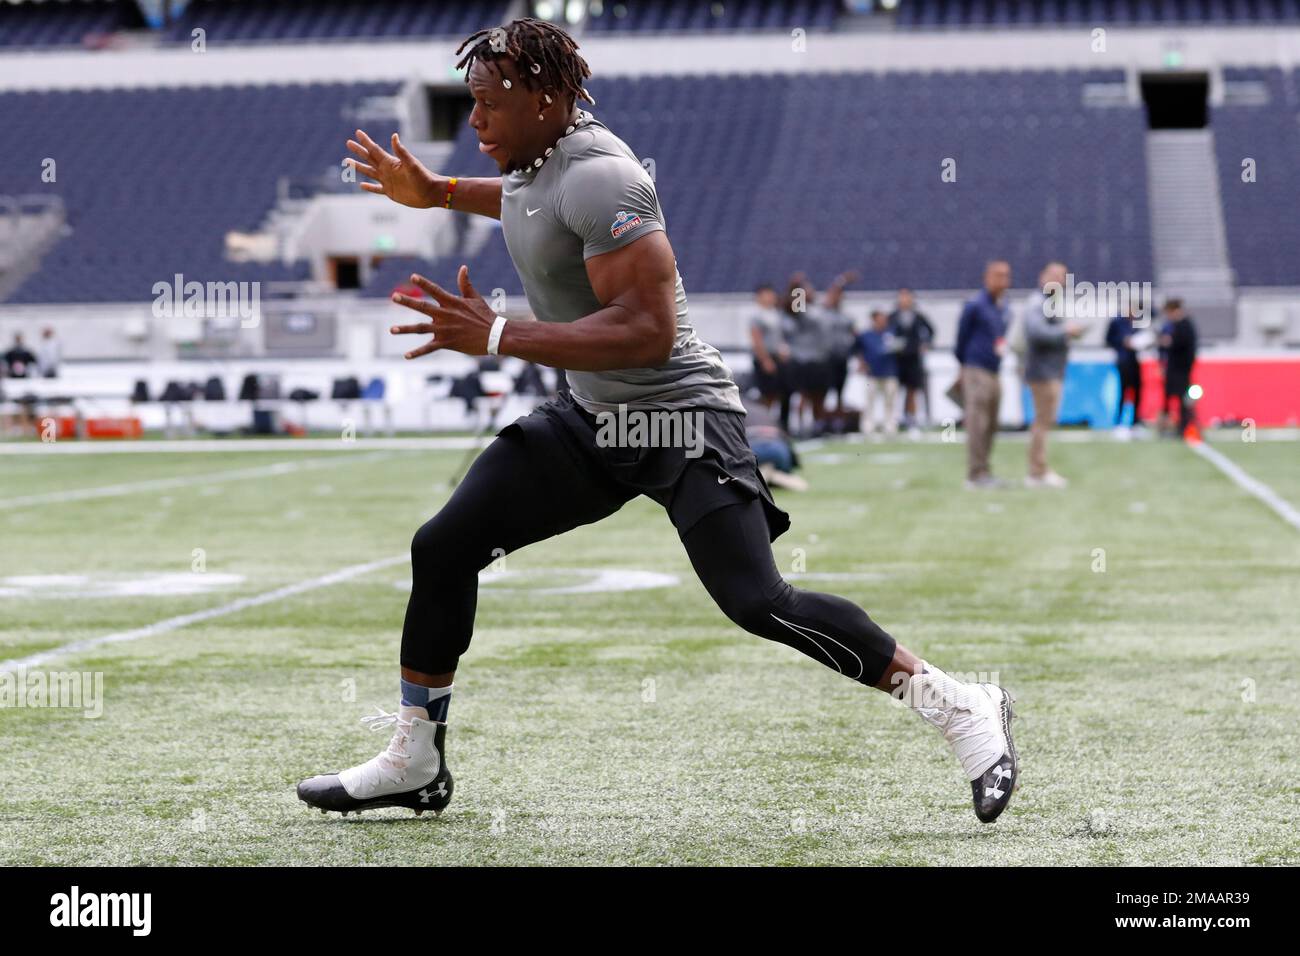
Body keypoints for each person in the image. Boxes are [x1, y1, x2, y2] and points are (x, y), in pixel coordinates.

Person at [299, 17, 1019, 824]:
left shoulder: (603, 176)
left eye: (488, 103)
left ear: (546, 98)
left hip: (677, 421)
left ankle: (961, 706)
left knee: (758, 600)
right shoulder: (538, 157)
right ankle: (416, 760)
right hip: (593, 417)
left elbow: (645, 330)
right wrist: (435, 193)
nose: (475, 122)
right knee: (443, 546)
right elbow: (529, 201)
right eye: (470, 103)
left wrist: (497, 333)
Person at [1021, 261, 1084, 488]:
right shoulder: (1038, 302)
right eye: (1057, 276)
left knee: (1046, 421)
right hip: (1043, 371)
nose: (1061, 281)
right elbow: (1036, 333)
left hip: (1052, 370)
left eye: (1063, 277)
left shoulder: (1051, 302)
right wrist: (1065, 330)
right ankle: (1037, 471)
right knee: (1042, 421)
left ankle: (1039, 469)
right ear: (1044, 276)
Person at [954, 261, 1012, 489]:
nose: (1003, 280)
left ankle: (985, 469)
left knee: (992, 423)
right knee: (977, 422)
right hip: (976, 368)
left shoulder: (1003, 307)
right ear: (987, 277)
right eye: (998, 275)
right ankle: (975, 474)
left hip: (994, 369)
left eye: (1007, 276)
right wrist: (964, 364)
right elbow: (961, 339)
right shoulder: (975, 305)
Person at [780, 274, 833, 437]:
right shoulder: (800, 310)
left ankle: (818, 426)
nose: (811, 292)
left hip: (820, 359)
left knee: (819, 396)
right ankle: (801, 427)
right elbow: (793, 305)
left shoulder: (817, 309)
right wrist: (795, 286)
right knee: (803, 394)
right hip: (803, 360)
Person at [889, 288, 934, 435]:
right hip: (897, 358)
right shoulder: (893, 316)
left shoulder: (918, 316)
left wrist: (926, 343)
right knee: (895, 390)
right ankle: (894, 420)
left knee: (912, 390)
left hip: (913, 357)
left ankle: (910, 419)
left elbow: (931, 331)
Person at [746, 283, 791, 430]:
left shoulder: (776, 314)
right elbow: (756, 339)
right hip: (766, 358)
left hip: (778, 357)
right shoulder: (756, 315)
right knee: (768, 393)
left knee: (784, 391)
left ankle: (783, 424)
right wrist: (765, 359)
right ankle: (763, 423)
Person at [820, 269, 860, 431]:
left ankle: (837, 423)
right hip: (825, 359)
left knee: (839, 392)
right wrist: (841, 280)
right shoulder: (821, 314)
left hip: (842, 358)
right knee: (821, 392)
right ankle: (819, 422)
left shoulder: (847, 317)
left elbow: (856, 337)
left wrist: (861, 358)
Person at [855, 309, 901, 436]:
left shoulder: (891, 332)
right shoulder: (866, 335)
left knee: (890, 401)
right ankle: (868, 426)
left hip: (890, 372)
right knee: (869, 402)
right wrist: (861, 363)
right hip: (872, 374)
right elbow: (858, 350)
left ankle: (890, 426)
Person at [1157, 298, 1198, 438]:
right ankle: (1167, 427)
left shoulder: (1184, 325)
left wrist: (1168, 342)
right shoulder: (1177, 325)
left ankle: (1183, 427)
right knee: (1169, 399)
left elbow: (1183, 346)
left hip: (1181, 369)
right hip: (1175, 369)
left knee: (1182, 400)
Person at [1105, 304, 1144, 430]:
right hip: (1123, 361)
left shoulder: (1136, 322)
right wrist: (1122, 342)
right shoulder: (1117, 322)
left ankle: (1135, 421)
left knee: (1137, 390)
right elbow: (1108, 339)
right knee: (1123, 391)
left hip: (1134, 360)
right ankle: (1118, 422)